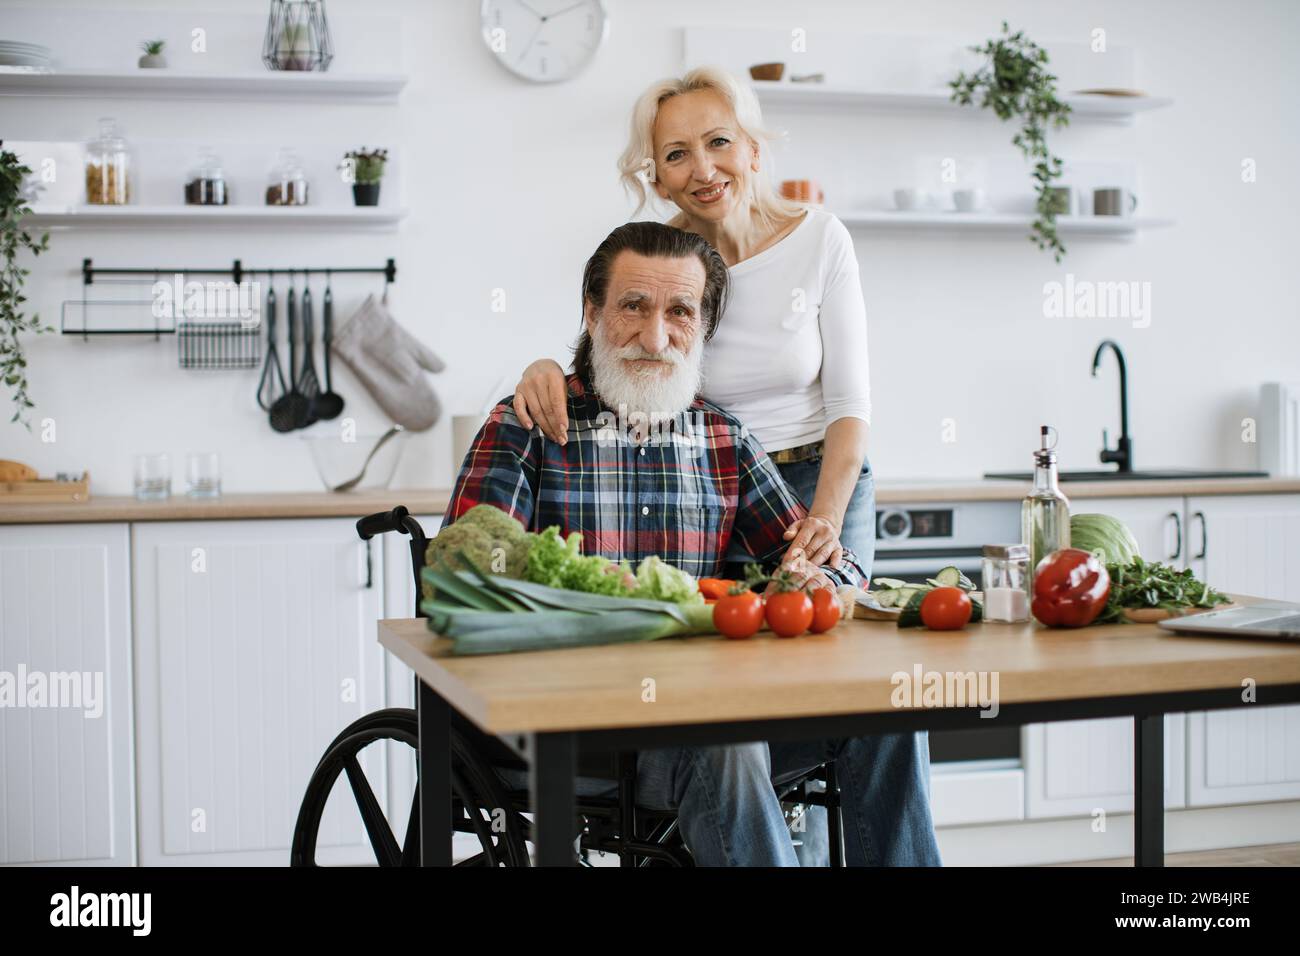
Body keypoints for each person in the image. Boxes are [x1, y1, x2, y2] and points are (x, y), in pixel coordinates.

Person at [508, 67, 937, 865]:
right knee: (733, 698)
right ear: (654, 171)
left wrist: (826, 522)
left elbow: (851, 405)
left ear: (752, 144)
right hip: (709, 491)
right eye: (675, 155)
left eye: (717, 143)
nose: (701, 170)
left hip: (818, 481)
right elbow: (612, 349)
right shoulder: (670, 260)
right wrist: (540, 365)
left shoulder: (820, 238)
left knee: (853, 686)